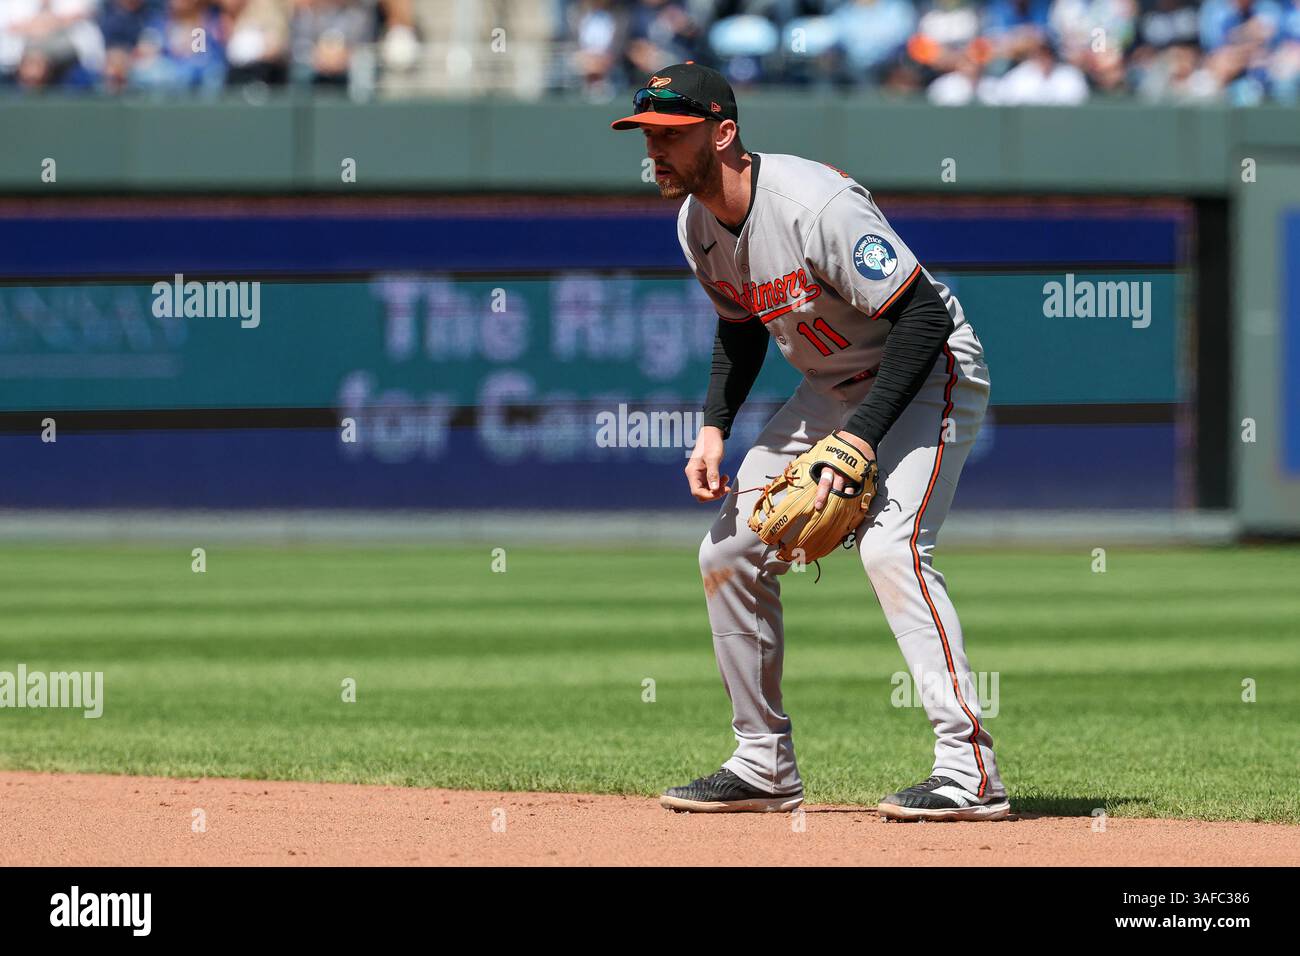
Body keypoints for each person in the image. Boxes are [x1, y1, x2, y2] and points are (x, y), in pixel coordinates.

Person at [610, 61, 1009, 821]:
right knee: (726, 552)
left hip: (930, 371)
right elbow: (739, 328)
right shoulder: (696, 224)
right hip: (831, 386)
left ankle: (971, 771)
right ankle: (762, 762)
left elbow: (922, 317)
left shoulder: (814, 204)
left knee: (892, 549)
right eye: (647, 136)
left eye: (670, 134)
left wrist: (859, 440)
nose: (653, 150)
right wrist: (714, 428)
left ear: (723, 133)